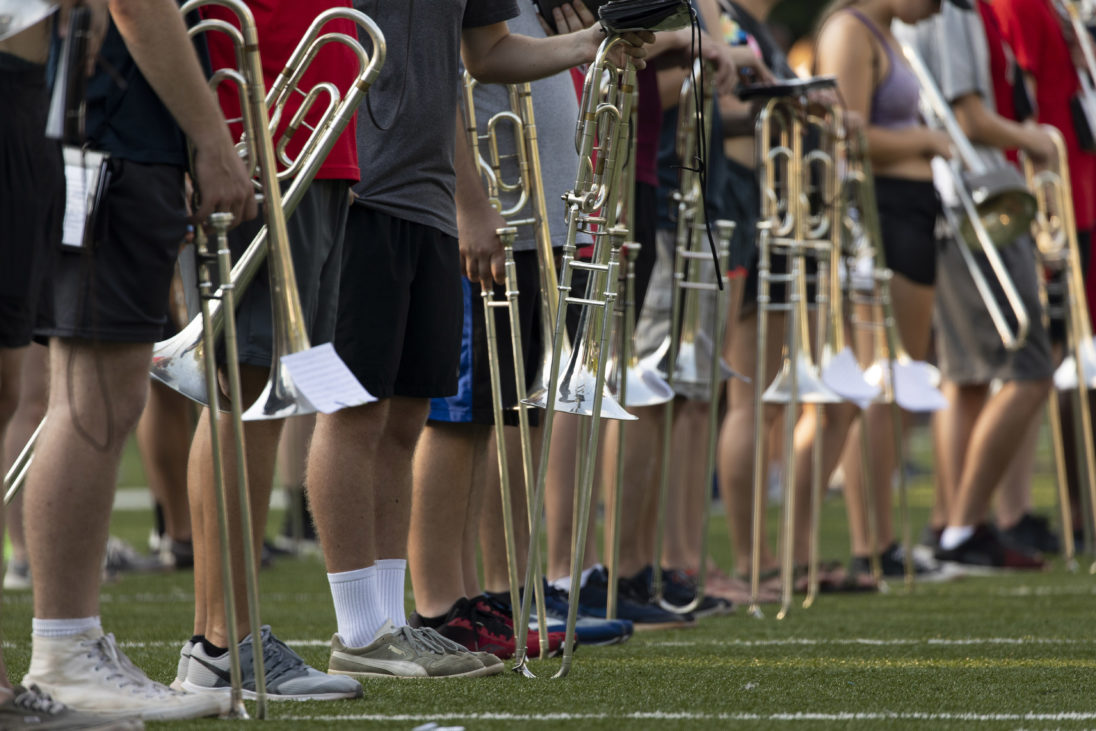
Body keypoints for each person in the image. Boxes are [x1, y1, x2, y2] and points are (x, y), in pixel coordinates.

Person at [304, 0, 652, 679]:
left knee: (406, 414)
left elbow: (486, 53)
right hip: (357, 185)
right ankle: (359, 628)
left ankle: (388, 624)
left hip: (428, 191)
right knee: (354, 409)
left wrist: (589, 43)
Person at [19, 0, 255, 719]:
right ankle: (65, 649)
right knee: (90, 401)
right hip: (110, 135)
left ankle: (72, 641)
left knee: (106, 398)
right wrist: (211, 139)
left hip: (118, 135)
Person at [174, 0, 366, 701]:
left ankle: (224, 638)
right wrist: (204, 142)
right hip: (259, 139)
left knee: (264, 393)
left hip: (314, 139)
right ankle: (225, 640)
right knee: (242, 390)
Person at [787, 0, 946, 586]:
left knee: (886, 386)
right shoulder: (851, 30)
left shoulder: (886, 31)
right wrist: (927, 142)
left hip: (905, 213)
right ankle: (866, 541)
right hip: (875, 217)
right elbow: (846, 133)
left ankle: (877, 539)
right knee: (865, 388)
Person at [896, 0, 1055, 570]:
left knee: (966, 380)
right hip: (973, 198)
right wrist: (1037, 138)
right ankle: (961, 528)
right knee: (1029, 369)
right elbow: (969, 120)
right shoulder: (952, 10)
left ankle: (952, 525)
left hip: (952, 199)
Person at [990, 0, 1096, 555]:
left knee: (1065, 359)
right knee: (1047, 359)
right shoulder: (1022, 5)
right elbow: (1025, 99)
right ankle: (1024, 510)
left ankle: (1053, 508)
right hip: (1058, 200)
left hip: (1080, 193)